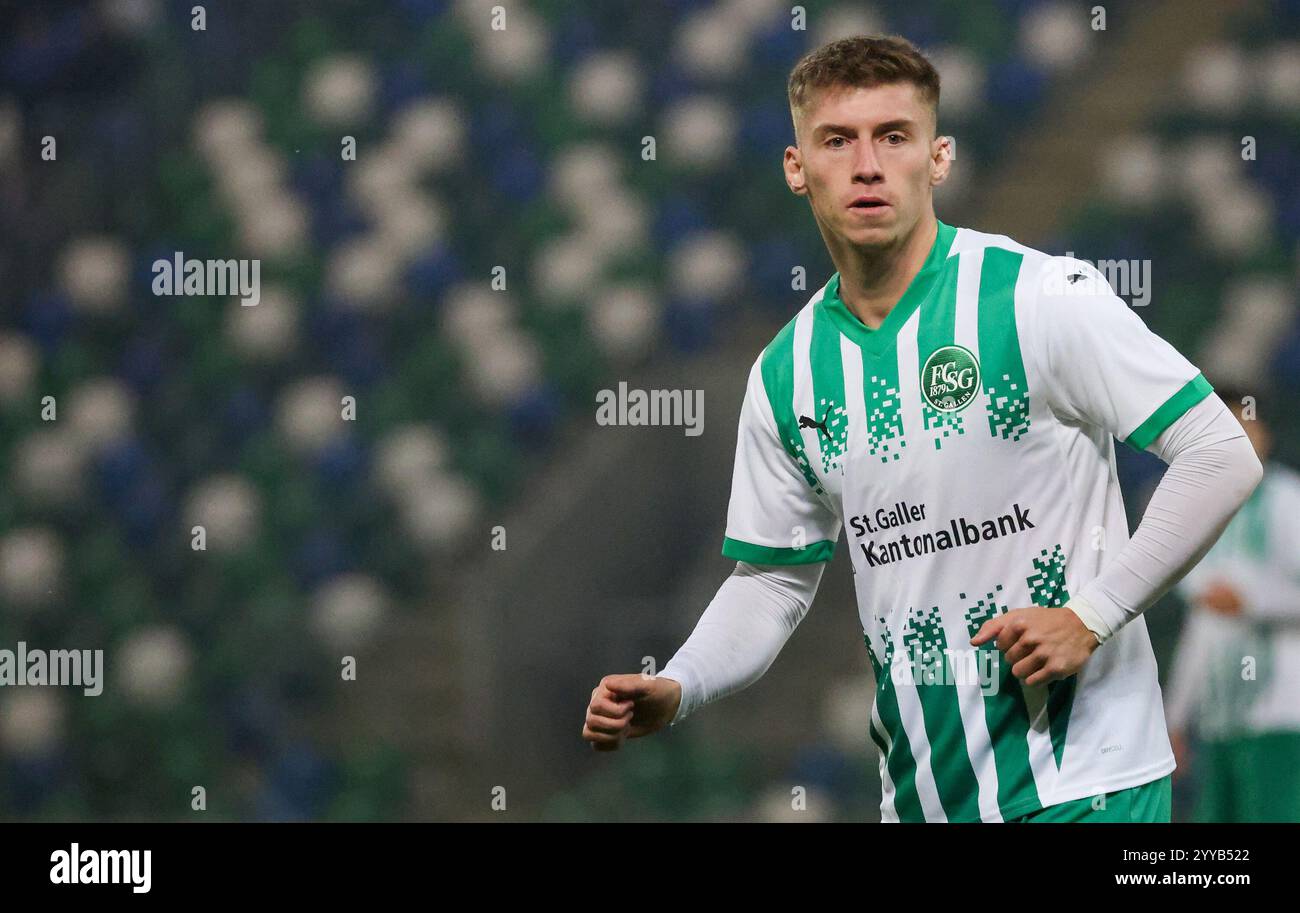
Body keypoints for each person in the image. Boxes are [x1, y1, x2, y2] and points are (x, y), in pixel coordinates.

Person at [580, 34, 1262, 822]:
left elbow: (1218, 450)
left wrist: (1092, 616)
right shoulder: (785, 372)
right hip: (922, 799)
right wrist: (680, 682)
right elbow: (774, 576)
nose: (867, 165)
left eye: (893, 137)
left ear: (937, 159)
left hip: (1085, 782)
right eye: (838, 140)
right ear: (797, 169)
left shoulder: (1040, 297)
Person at [1166, 389, 1300, 822]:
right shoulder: (1201, 509)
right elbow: (1202, 625)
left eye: (1246, 423)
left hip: (1283, 714)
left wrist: (1252, 601)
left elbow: (1234, 602)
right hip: (1219, 718)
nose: (1237, 435)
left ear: (1265, 431)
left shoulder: (1287, 499)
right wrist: (1176, 717)